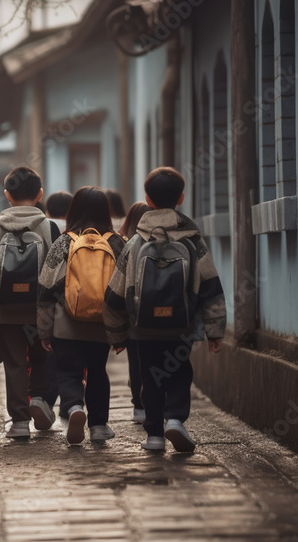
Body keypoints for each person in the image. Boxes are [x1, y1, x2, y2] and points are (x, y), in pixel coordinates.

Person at [104, 167, 226, 453]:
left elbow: (114, 293)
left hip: (142, 328)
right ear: (181, 197)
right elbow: (210, 284)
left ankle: (155, 434)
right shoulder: (192, 239)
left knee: (150, 377)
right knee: (180, 372)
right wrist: (215, 329)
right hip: (181, 325)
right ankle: (176, 419)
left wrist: (117, 335)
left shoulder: (135, 242)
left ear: (147, 197)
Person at [0, 166, 60, 439]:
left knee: (14, 363)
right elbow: (59, 271)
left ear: (7, 196)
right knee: (43, 355)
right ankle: (39, 399)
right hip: (40, 311)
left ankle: (19, 421)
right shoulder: (49, 228)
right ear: (40, 194)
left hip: (6, 311)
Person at [37, 187, 127, 445]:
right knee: (98, 371)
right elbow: (125, 287)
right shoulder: (116, 242)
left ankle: (75, 407)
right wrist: (122, 331)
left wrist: (44, 330)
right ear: (106, 211)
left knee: (68, 371)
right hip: (102, 324)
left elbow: (45, 286)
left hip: (66, 324)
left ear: (73, 210)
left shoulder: (64, 242)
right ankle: (99, 426)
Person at [116, 200, 153, 424]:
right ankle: (159, 403)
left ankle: (139, 407)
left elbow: (116, 286)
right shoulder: (164, 242)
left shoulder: (124, 244)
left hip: (133, 316)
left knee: (136, 361)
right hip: (164, 316)